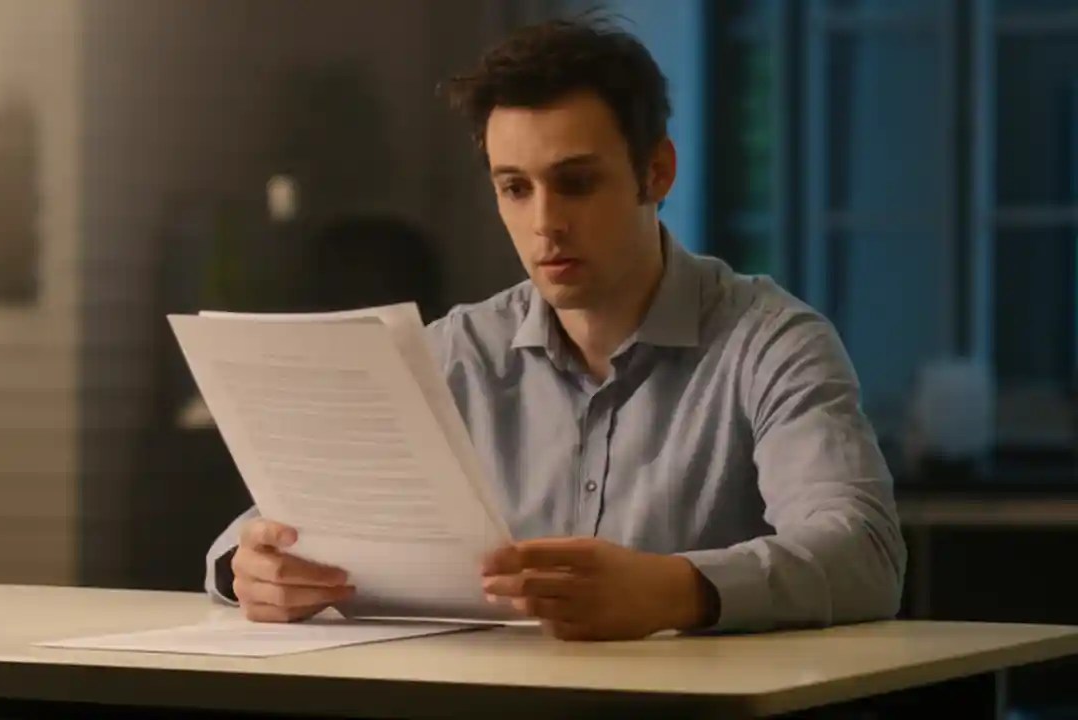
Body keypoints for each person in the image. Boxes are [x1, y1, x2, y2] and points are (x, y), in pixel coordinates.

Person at [203, 16, 906, 640]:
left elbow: (864, 553)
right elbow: (267, 529)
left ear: (657, 172)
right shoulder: (453, 354)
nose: (545, 223)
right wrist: (250, 569)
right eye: (515, 188)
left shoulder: (771, 342)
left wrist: (676, 590)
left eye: (576, 182)